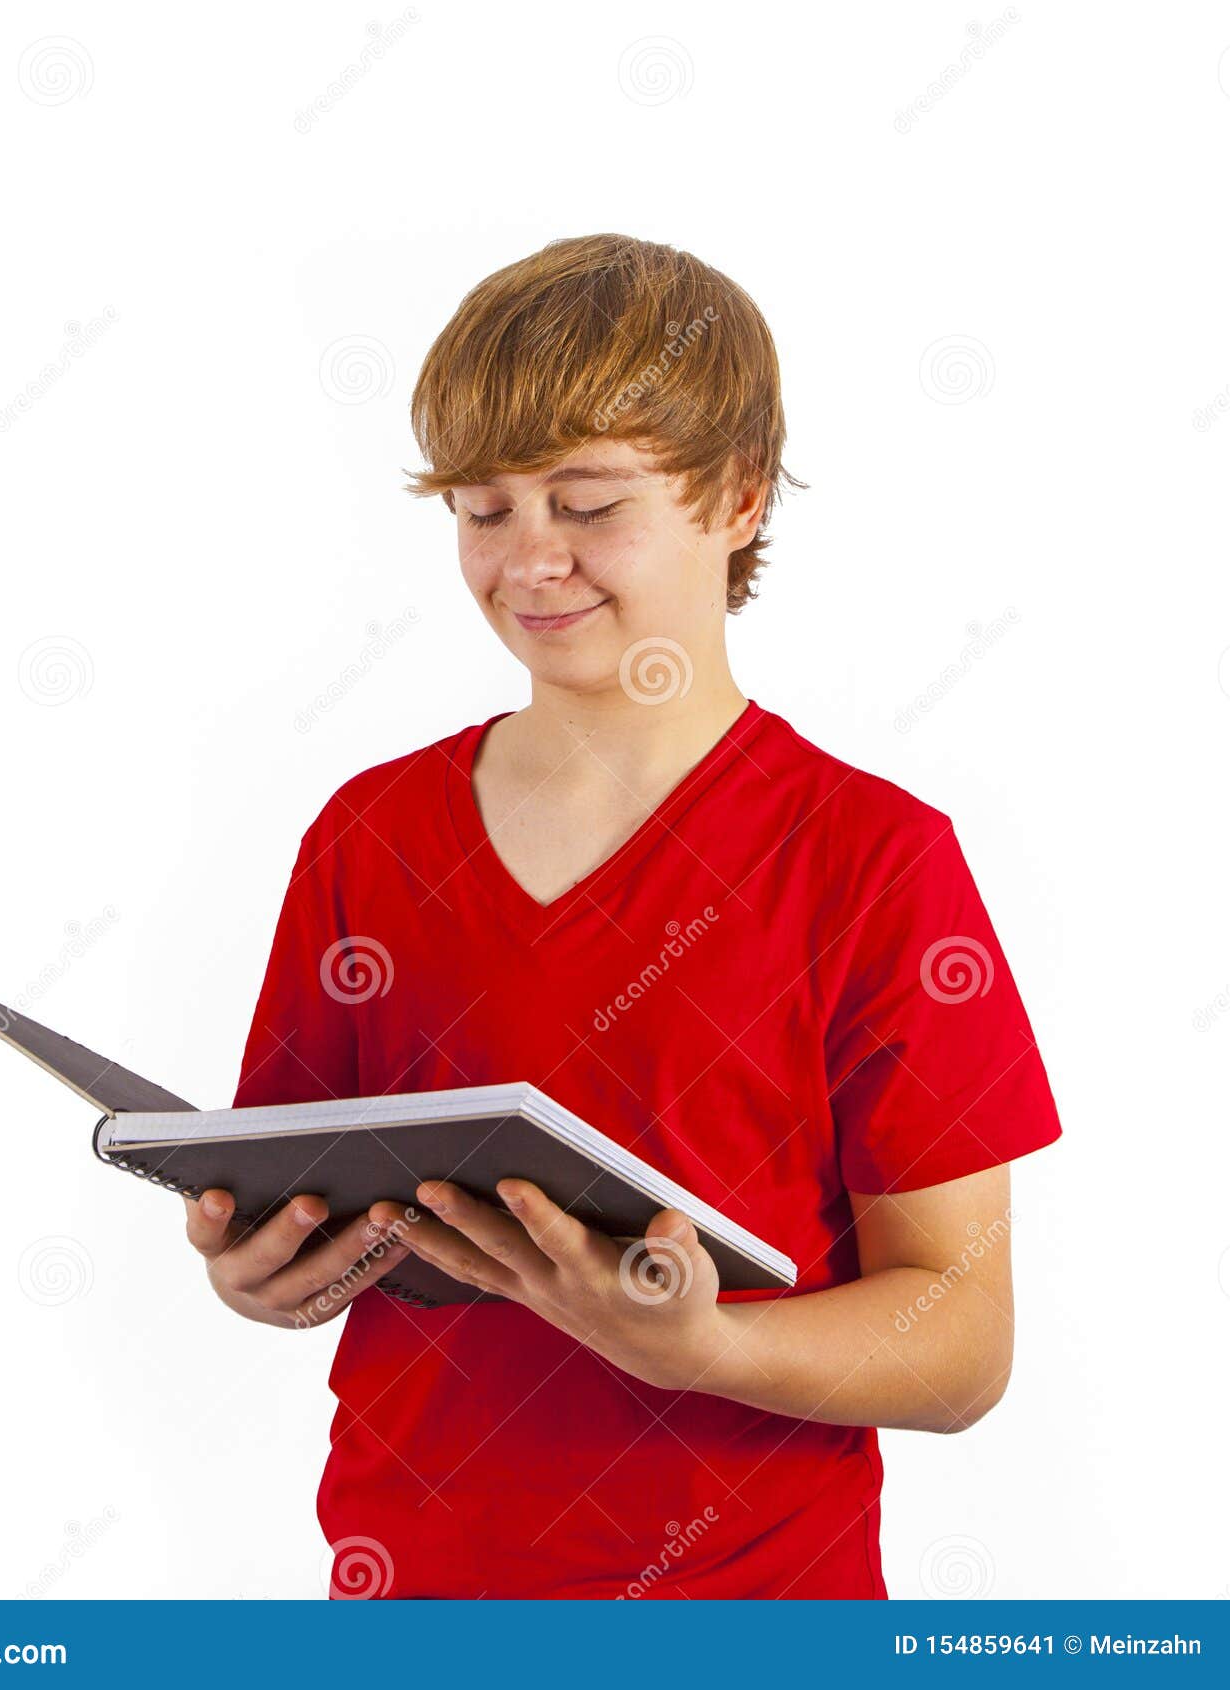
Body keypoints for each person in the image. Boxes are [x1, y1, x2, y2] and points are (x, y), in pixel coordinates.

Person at [182, 233, 1062, 1599]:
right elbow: (299, 1200)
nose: (529, 560)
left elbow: (961, 1347)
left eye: (588, 504)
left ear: (740, 497)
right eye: (484, 509)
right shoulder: (370, 834)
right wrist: (261, 1274)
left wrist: (706, 1349)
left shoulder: (873, 861)